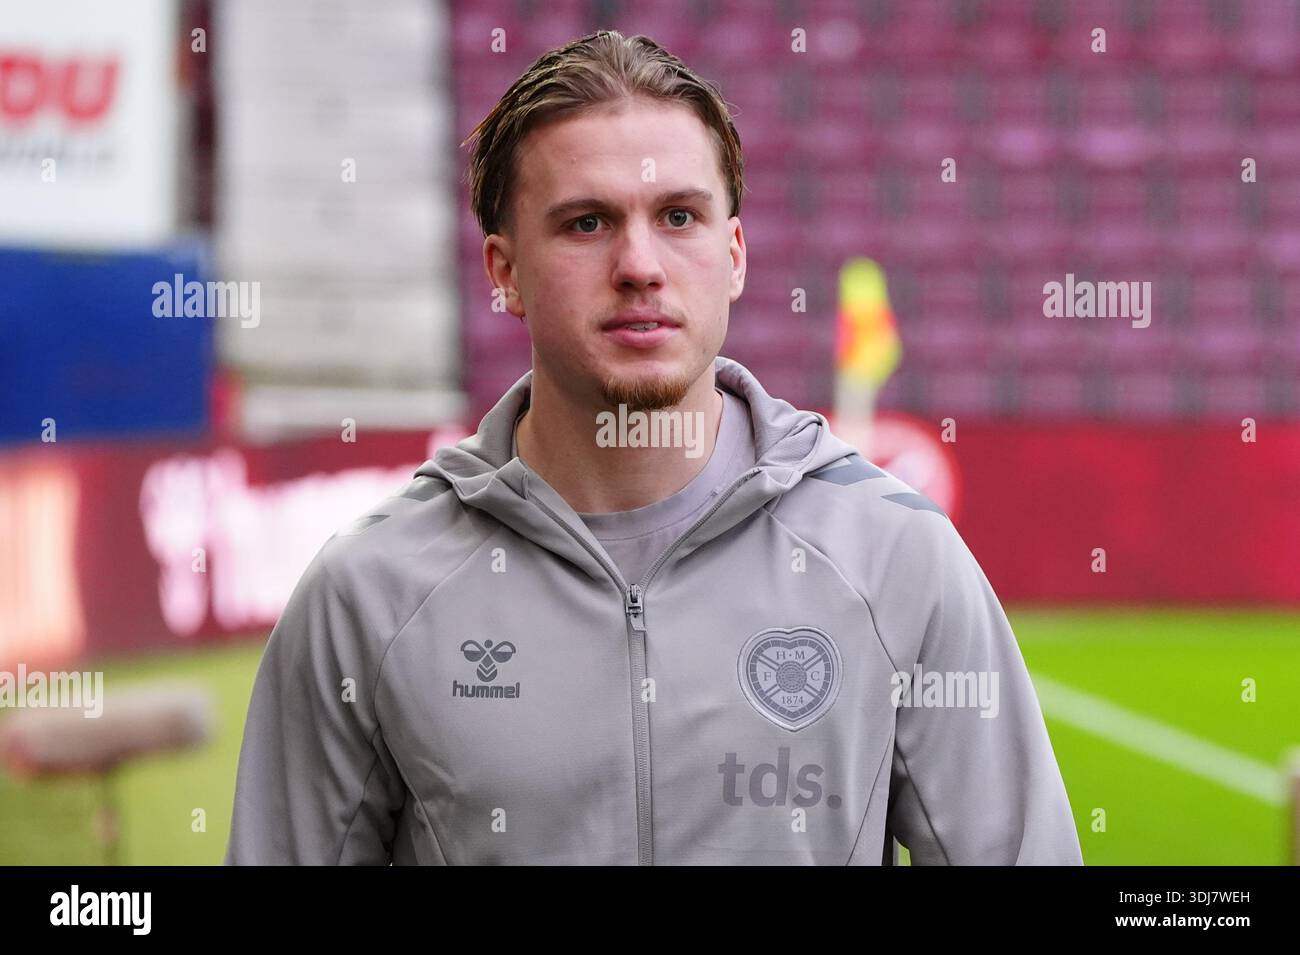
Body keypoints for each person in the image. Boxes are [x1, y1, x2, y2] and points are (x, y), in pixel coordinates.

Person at [226, 30, 1082, 865]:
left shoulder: (897, 555)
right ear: (504, 271)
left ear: (735, 254)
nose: (640, 263)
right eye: (587, 223)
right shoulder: (369, 593)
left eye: (679, 215)